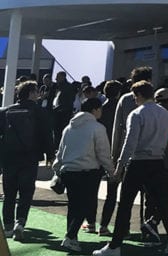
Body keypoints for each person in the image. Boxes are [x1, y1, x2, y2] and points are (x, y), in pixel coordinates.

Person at [92, 81, 168, 256]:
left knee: (125, 205)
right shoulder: (165, 114)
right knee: (162, 203)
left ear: (139, 95)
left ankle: (115, 246)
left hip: (138, 162)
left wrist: (119, 167)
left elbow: (129, 143)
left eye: (134, 96)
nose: (134, 99)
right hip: (158, 161)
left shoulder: (136, 114)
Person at [53, 97, 113, 253]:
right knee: (85, 205)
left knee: (73, 206)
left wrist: (57, 168)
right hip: (88, 171)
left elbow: (61, 151)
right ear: (95, 109)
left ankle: (72, 238)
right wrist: (112, 171)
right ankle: (70, 236)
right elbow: (103, 153)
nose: (101, 112)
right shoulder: (97, 128)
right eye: (100, 109)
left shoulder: (69, 127)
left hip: (68, 171)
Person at [0, 81, 55, 241]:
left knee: (9, 193)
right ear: (31, 93)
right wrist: (50, 155)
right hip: (30, 157)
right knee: (26, 192)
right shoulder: (40, 112)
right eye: (36, 91)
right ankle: (20, 222)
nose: (38, 94)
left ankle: (8, 226)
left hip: (9, 158)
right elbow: (47, 135)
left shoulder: (5, 112)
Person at [102, 66, 153, 236]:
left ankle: (121, 227)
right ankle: (146, 227)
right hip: (147, 153)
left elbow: (117, 129)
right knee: (147, 195)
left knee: (124, 195)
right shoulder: (153, 100)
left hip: (126, 152)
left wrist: (114, 155)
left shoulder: (124, 99)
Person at [140, 88, 168, 242]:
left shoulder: (146, 113)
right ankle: (153, 222)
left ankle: (149, 230)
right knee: (167, 195)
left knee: (150, 197)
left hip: (148, 160)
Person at [95, 80, 122, 236]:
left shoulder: (101, 110)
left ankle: (91, 221)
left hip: (99, 152)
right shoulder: (122, 109)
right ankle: (104, 225)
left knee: (92, 190)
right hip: (115, 153)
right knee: (112, 193)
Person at [52, 71, 78, 145]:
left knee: (62, 132)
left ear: (63, 77)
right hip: (58, 113)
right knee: (57, 132)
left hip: (64, 114)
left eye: (58, 77)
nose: (56, 79)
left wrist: (56, 109)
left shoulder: (68, 87)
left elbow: (68, 102)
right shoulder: (58, 87)